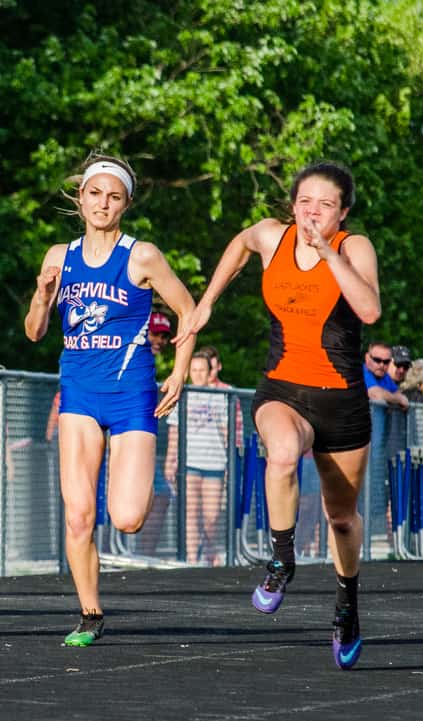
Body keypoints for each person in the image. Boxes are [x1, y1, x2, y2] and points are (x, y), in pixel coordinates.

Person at [178, 161, 380, 669]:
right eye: (305, 202)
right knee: (283, 454)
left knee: (341, 518)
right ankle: (281, 560)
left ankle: (347, 605)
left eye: (325, 205)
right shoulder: (273, 236)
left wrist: (329, 254)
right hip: (282, 388)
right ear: (292, 205)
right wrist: (207, 302)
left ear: (342, 213)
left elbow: (369, 310)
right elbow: (240, 244)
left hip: (341, 401)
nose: (313, 212)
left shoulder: (354, 247)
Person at [24, 153, 195, 646]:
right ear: (80, 198)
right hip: (79, 393)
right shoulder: (59, 257)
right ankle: (89, 614)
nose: (103, 204)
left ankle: (127, 474)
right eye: (95, 194)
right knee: (78, 515)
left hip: (132, 394)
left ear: (126, 204)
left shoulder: (142, 256)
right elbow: (34, 332)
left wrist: (179, 372)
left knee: (127, 518)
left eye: (113, 196)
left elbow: (187, 310)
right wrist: (42, 296)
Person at [164, 352, 229, 565]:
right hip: (189, 463)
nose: (198, 374)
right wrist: (170, 461)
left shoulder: (220, 396)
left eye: (202, 370)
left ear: (209, 372)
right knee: (190, 512)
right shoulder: (182, 395)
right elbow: (174, 432)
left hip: (214, 463)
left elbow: (226, 433)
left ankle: (210, 554)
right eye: (194, 370)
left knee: (211, 516)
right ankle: (191, 559)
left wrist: (229, 463)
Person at [364, 340, 409, 409]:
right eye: (377, 360)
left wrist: (398, 398)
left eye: (386, 362)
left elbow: (400, 395)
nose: (382, 365)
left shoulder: (386, 377)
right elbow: (375, 394)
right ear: (367, 358)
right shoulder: (361, 372)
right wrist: (398, 399)